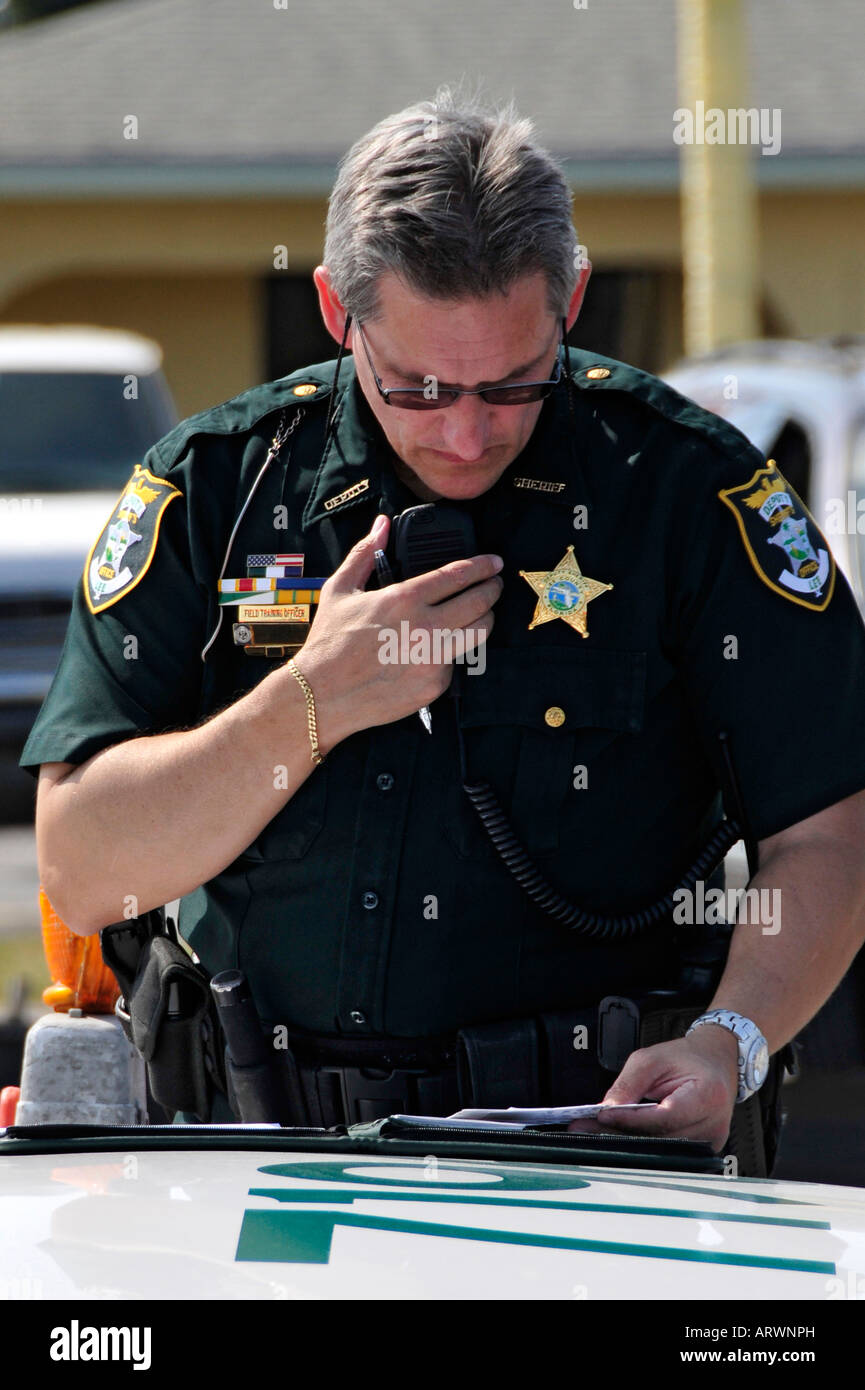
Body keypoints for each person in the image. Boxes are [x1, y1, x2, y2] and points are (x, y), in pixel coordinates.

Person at [21, 88, 865, 1167]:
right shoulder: (217, 490)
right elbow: (86, 869)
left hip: (590, 1172)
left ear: (573, 302)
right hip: (257, 1180)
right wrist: (310, 703)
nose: (466, 434)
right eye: (417, 387)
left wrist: (730, 1041)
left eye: (512, 382)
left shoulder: (686, 496)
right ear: (337, 313)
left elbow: (827, 832)